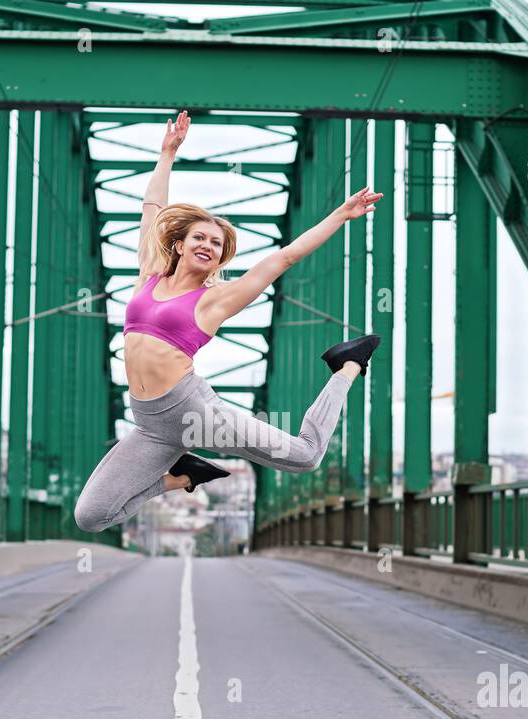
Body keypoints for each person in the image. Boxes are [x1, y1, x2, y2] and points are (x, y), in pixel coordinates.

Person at [74, 110, 384, 534]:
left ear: (220, 258)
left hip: (193, 412)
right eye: (199, 237)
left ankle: (347, 367)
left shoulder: (214, 302)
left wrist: (339, 216)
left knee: (306, 455)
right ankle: (182, 477)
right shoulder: (149, 275)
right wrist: (167, 153)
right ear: (179, 244)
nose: (207, 245)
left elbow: (284, 257)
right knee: (90, 517)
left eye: (217, 244)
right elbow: (153, 208)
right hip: (148, 423)